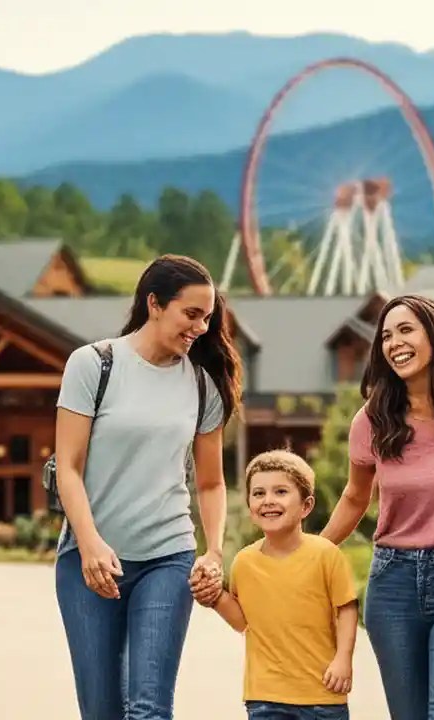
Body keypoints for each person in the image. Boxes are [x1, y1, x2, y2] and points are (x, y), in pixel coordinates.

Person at [52, 254, 242, 719]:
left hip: (167, 556)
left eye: (207, 318)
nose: (200, 327)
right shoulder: (93, 365)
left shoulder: (202, 387)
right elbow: (69, 469)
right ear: (154, 303)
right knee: (102, 710)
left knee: (150, 707)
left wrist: (213, 552)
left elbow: (212, 483)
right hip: (90, 562)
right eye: (191, 314)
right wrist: (91, 543)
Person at [319, 294, 434, 720]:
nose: (393, 342)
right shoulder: (372, 419)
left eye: (405, 330)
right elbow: (354, 496)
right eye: (386, 335)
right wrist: (313, 552)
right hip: (393, 582)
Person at [197, 449, 358, 720]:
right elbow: (242, 621)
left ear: (306, 506)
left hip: (322, 695)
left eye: (280, 492)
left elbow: (347, 609)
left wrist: (343, 660)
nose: (268, 501)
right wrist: (214, 597)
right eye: (259, 493)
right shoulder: (244, 563)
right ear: (249, 505)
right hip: (265, 697)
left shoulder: (326, 554)